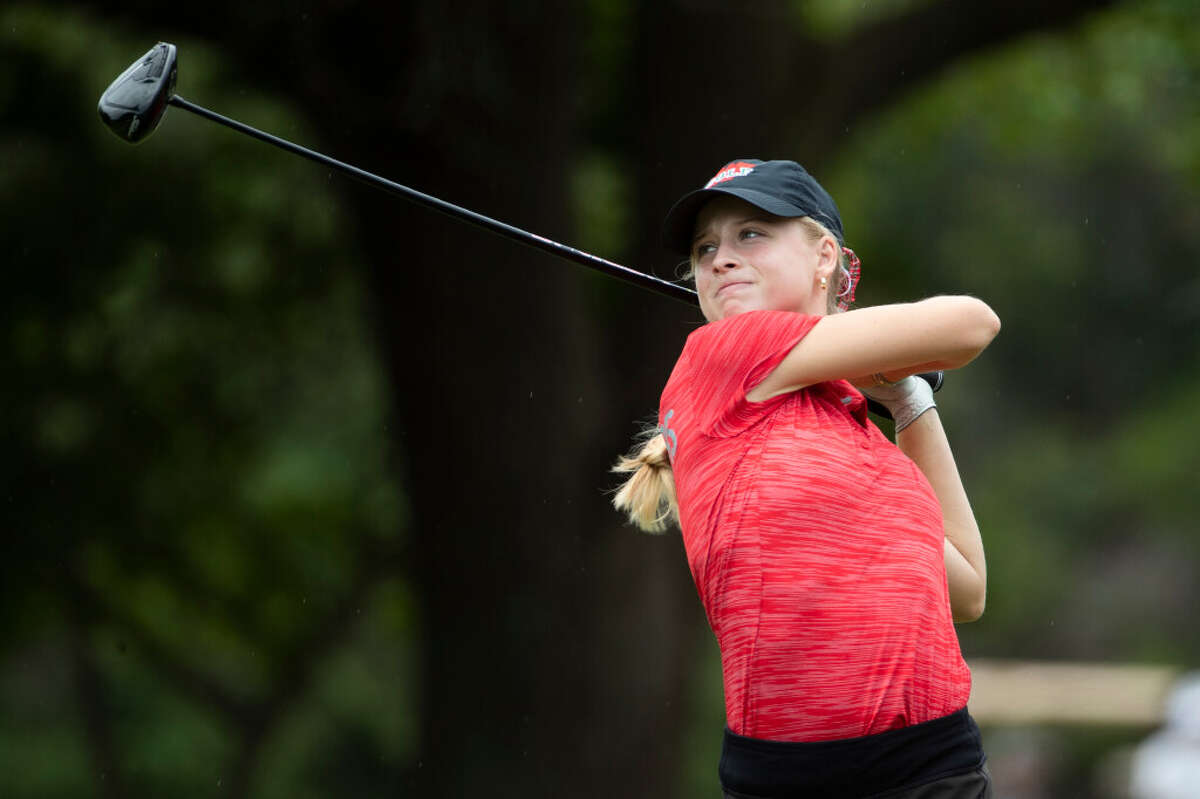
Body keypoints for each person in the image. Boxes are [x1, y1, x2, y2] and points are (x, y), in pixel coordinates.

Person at [612, 159, 1000, 798]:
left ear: (826, 256)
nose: (720, 259)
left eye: (751, 235)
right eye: (705, 248)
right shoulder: (719, 354)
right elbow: (971, 323)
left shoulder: (854, 439)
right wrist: (885, 349)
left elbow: (967, 589)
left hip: (935, 766)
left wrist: (908, 403)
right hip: (799, 782)